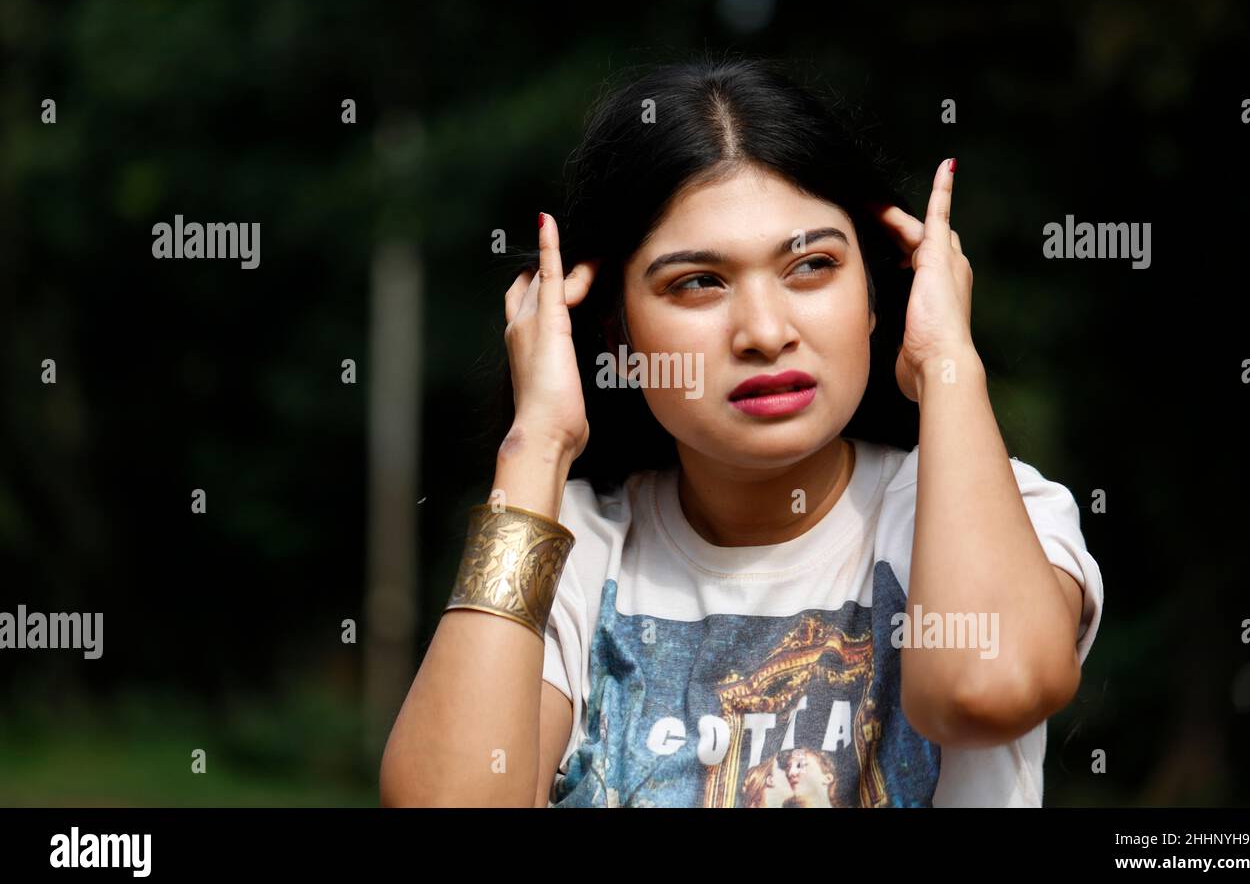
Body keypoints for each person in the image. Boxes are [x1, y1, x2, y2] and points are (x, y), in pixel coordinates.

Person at [379, 55, 1103, 808]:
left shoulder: (992, 513)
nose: (763, 331)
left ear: (880, 295)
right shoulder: (577, 550)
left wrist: (948, 361)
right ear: (613, 331)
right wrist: (535, 446)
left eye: (812, 266)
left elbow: (984, 689)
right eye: (698, 282)